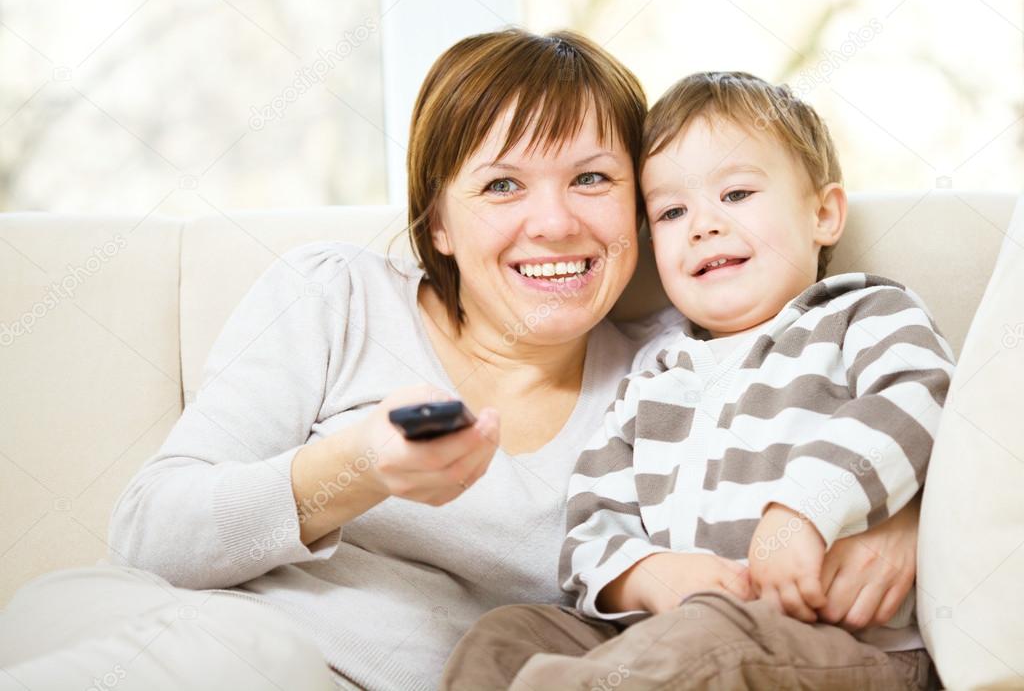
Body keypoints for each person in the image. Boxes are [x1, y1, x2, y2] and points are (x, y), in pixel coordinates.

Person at [0, 37, 922, 691]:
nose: (555, 222)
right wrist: (354, 469)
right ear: (438, 221)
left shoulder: (670, 381)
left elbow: (886, 409)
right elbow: (149, 537)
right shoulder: (337, 296)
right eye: (501, 185)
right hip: (147, 633)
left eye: (592, 178)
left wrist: (904, 519)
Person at [441, 72, 953, 690]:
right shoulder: (651, 375)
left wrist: (805, 508)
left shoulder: (861, 315)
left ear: (822, 213)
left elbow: (919, 397)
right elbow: (592, 522)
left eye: (736, 194)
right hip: (662, 634)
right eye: (672, 211)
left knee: (706, 640)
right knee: (510, 635)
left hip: (839, 645)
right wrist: (651, 574)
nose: (702, 225)